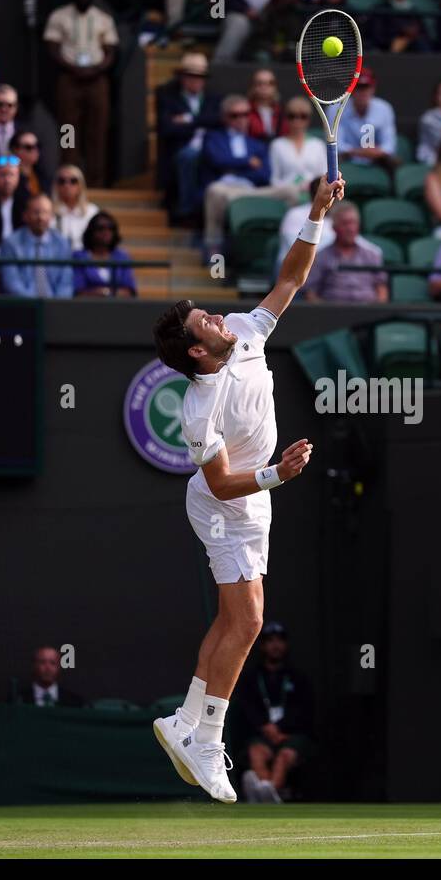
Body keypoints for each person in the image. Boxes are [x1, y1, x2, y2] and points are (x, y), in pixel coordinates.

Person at [149, 174, 343, 804]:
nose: (215, 316)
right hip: (223, 505)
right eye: (204, 320)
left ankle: (186, 722)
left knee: (235, 621)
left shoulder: (245, 330)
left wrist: (313, 216)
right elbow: (223, 482)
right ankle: (206, 740)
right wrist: (276, 475)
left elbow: (291, 278)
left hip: (252, 500)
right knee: (251, 619)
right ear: (197, 353)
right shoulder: (199, 406)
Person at [201, 95, 300, 257]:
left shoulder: (257, 144)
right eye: (235, 115)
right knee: (214, 190)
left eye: (245, 114)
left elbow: (264, 174)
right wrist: (247, 161)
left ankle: (289, 246)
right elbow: (217, 160)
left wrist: (233, 165)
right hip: (227, 190)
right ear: (225, 117)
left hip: (252, 190)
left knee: (291, 192)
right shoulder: (213, 137)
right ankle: (214, 250)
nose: (241, 119)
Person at [44, 0, 118, 187]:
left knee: (97, 129)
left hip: (96, 79)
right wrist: (73, 68)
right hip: (69, 77)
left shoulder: (103, 18)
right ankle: (69, 178)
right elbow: (52, 48)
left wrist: (96, 68)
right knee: (68, 129)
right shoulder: (59, 16)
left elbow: (111, 51)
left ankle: (96, 181)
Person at [236, 622, 317, 803]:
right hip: (263, 735)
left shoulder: (298, 677)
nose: (275, 645)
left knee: (284, 756)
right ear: (263, 645)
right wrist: (266, 728)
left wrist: (280, 729)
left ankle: (268, 791)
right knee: (256, 751)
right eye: (270, 641)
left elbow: (303, 709)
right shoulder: (251, 677)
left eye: (280, 641)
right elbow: (247, 708)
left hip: (291, 735)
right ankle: (268, 792)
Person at [154, 53, 220, 211]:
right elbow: (167, 128)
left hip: (210, 145)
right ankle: (187, 208)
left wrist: (189, 119)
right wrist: (202, 121)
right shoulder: (167, 96)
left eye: (200, 77)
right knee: (188, 156)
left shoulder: (213, 97)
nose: (196, 80)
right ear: (182, 77)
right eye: (191, 76)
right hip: (179, 148)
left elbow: (217, 121)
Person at [304, 201, 388, 302]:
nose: (350, 228)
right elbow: (310, 293)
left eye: (353, 223)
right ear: (334, 228)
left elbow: (382, 290)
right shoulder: (321, 256)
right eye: (345, 224)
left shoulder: (372, 254)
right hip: (333, 314)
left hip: (369, 312)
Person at [0, 193, 75, 298]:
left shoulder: (62, 243)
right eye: (36, 212)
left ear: (51, 216)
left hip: (56, 305)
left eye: (45, 212)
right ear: (25, 216)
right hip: (23, 306)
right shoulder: (11, 243)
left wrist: (56, 305)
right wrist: (36, 305)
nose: (41, 217)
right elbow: (12, 283)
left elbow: (66, 283)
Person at [335, 68, 397, 172]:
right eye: (359, 87)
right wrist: (361, 152)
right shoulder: (337, 109)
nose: (363, 92)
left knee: (394, 162)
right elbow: (337, 146)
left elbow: (389, 146)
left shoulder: (384, 108)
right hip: (346, 161)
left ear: (373, 88)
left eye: (366, 87)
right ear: (352, 89)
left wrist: (375, 152)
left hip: (377, 161)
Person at [72, 211, 136, 297]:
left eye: (111, 228)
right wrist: (109, 293)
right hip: (87, 308)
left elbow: (129, 291)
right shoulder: (79, 257)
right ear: (91, 231)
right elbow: (79, 292)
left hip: (118, 308)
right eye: (100, 228)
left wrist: (103, 292)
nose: (106, 232)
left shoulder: (122, 256)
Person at [268, 97, 324, 193]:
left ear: (309, 119)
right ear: (286, 118)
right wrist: (293, 188)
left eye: (303, 116)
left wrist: (310, 186)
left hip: (313, 196)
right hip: (286, 197)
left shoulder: (318, 145)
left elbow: (323, 176)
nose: (297, 121)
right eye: (292, 116)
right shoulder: (277, 145)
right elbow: (274, 180)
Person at [15, 646, 86, 707]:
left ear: (59, 667)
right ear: (34, 666)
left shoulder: (75, 702)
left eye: (53, 663)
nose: (48, 668)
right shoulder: (18, 700)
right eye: (42, 662)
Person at [50, 164, 99, 250]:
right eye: (62, 181)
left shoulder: (92, 211)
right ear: (56, 186)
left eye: (73, 181)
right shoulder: (48, 210)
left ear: (80, 185)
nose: (67, 185)